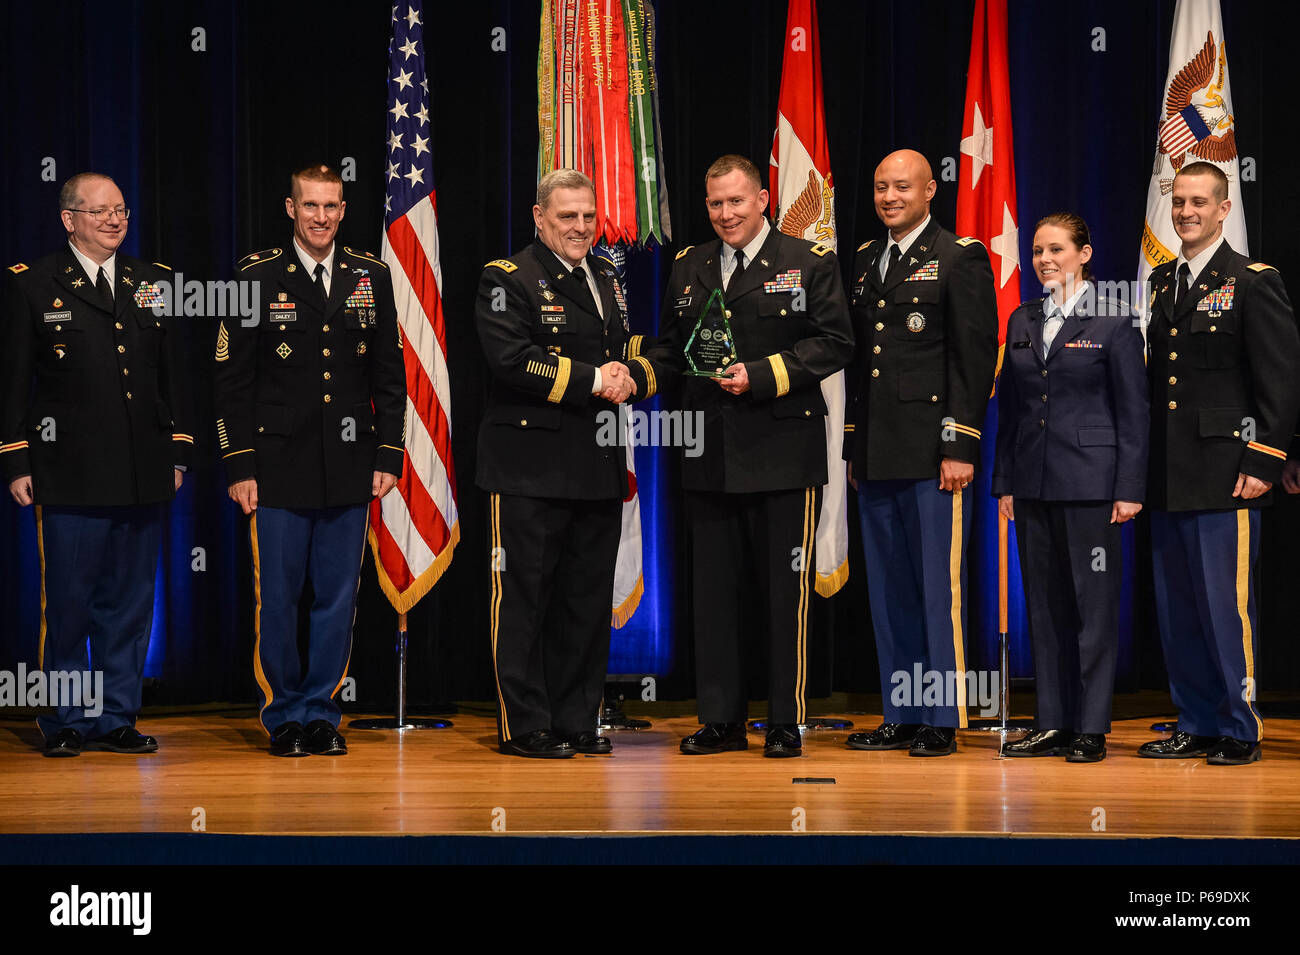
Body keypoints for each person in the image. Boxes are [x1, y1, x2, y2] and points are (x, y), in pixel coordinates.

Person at [637, 154, 853, 757]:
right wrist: (635, 375)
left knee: (783, 596)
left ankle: (785, 720)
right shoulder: (689, 264)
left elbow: (836, 342)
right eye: (715, 203)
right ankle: (721, 720)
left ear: (762, 200)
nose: (726, 213)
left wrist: (762, 374)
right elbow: (672, 350)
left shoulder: (808, 261)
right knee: (714, 595)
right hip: (707, 452)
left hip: (782, 452)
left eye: (736, 201)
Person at [213, 164, 406, 757]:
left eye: (331, 206)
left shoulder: (371, 275)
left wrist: (389, 453)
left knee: (336, 600)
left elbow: (389, 375)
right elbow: (231, 380)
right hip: (276, 466)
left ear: (343, 211)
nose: (321, 217)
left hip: (349, 465)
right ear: (290, 208)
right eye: (311, 205)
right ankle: (283, 715)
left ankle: (322, 713)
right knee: (278, 598)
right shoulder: (255, 275)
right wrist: (239, 464)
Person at [1, 172, 193, 756]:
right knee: (69, 604)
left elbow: (174, 375)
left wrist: (178, 449)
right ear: (69, 219)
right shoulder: (32, 284)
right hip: (70, 471)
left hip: (142, 469)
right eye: (100, 211)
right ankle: (64, 720)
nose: (115, 220)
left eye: (121, 210)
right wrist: (16, 458)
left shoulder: (154, 282)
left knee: (129, 604)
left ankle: (115, 716)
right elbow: (12, 382)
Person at [476, 168, 643, 758]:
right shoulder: (507, 277)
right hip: (529, 468)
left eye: (588, 216)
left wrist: (633, 374)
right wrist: (598, 379)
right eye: (567, 215)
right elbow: (511, 359)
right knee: (526, 600)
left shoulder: (606, 275)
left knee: (585, 600)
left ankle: (576, 719)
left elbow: (623, 349)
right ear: (539, 217)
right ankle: (525, 725)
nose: (580, 227)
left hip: (597, 463)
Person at [1140, 161, 1300, 765]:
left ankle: (1239, 725)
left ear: (1223, 208)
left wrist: (1265, 458)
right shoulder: (1162, 280)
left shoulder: (1252, 281)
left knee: (1225, 610)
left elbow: (1280, 378)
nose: (1186, 212)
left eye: (1199, 202)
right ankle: (1196, 721)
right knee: (1179, 609)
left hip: (1227, 472)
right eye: (1179, 201)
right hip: (1168, 471)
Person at [842, 149, 998, 756]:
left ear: (930, 190)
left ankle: (941, 715)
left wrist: (960, 444)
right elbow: (861, 366)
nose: (889, 197)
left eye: (902, 187)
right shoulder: (864, 259)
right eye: (881, 187)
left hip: (935, 453)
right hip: (877, 451)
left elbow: (972, 358)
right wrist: (854, 446)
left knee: (938, 590)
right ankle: (901, 712)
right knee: (890, 593)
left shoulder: (960, 256)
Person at [993, 213, 1148, 762]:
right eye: (1038, 251)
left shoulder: (1115, 318)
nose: (1045, 260)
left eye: (1056, 249)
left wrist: (1129, 487)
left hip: (1091, 485)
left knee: (1093, 609)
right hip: (1032, 483)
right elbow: (1012, 411)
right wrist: (1005, 483)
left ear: (1084, 254)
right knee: (1044, 606)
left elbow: (1134, 412)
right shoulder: (1022, 317)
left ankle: (1091, 726)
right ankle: (1053, 721)